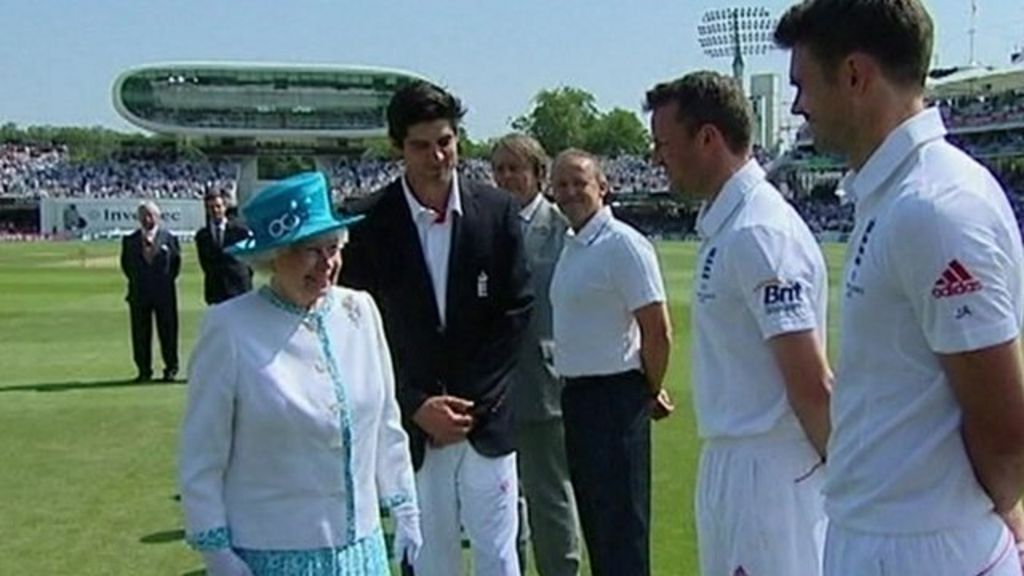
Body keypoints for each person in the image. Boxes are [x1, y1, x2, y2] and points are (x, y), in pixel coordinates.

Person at [775, 1, 1024, 574]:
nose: (798, 107)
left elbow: (1007, 437)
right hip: (882, 537)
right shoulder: (893, 194)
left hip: (927, 548)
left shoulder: (934, 207)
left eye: (804, 85)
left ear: (856, 76)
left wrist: (952, 511)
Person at [179, 171, 422, 576]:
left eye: (334, 247)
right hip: (270, 556)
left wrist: (405, 510)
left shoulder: (359, 311)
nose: (328, 263)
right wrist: (217, 553)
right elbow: (202, 453)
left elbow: (385, 423)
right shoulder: (230, 327)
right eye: (311, 250)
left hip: (362, 554)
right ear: (274, 254)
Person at [341, 81, 533, 576]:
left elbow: (516, 311)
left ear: (458, 140)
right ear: (397, 147)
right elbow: (359, 333)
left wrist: (469, 400)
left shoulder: (497, 212)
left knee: (498, 554)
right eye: (420, 146)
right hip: (413, 429)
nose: (436, 156)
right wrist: (417, 404)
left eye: (445, 142)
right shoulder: (369, 225)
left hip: (485, 421)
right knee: (431, 558)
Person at [646, 71, 831, 576]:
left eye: (664, 143)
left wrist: (850, 488)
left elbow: (812, 384)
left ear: (708, 139)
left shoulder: (759, 232)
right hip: (735, 464)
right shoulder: (729, 225)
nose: (656, 158)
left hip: (769, 474)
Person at [548, 149, 673, 576]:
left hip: (615, 399)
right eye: (560, 184)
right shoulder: (574, 245)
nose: (569, 193)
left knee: (621, 532)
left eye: (578, 182)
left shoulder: (623, 245)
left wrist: (648, 391)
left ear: (602, 187)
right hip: (579, 397)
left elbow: (657, 330)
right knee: (599, 529)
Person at [490, 134, 581, 576]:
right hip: (490, 388)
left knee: (548, 496)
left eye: (515, 169)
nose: (505, 177)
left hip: (542, 383)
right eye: (499, 169)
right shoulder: (483, 224)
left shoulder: (563, 230)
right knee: (504, 499)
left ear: (537, 175)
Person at [119, 201, 180, 382]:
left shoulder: (169, 238)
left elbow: (175, 265)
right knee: (140, 333)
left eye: (150, 215)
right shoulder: (130, 241)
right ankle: (143, 370)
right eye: (143, 215)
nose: (147, 219)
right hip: (139, 293)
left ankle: (170, 368)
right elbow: (126, 266)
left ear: (158, 217)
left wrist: (163, 283)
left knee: (168, 332)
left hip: (164, 294)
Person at [195, 190, 253, 305]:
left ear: (225, 207)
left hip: (239, 289)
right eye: (211, 207)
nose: (215, 210)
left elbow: (250, 261)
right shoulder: (202, 236)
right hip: (215, 292)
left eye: (218, 206)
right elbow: (204, 264)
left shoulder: (241, 231)